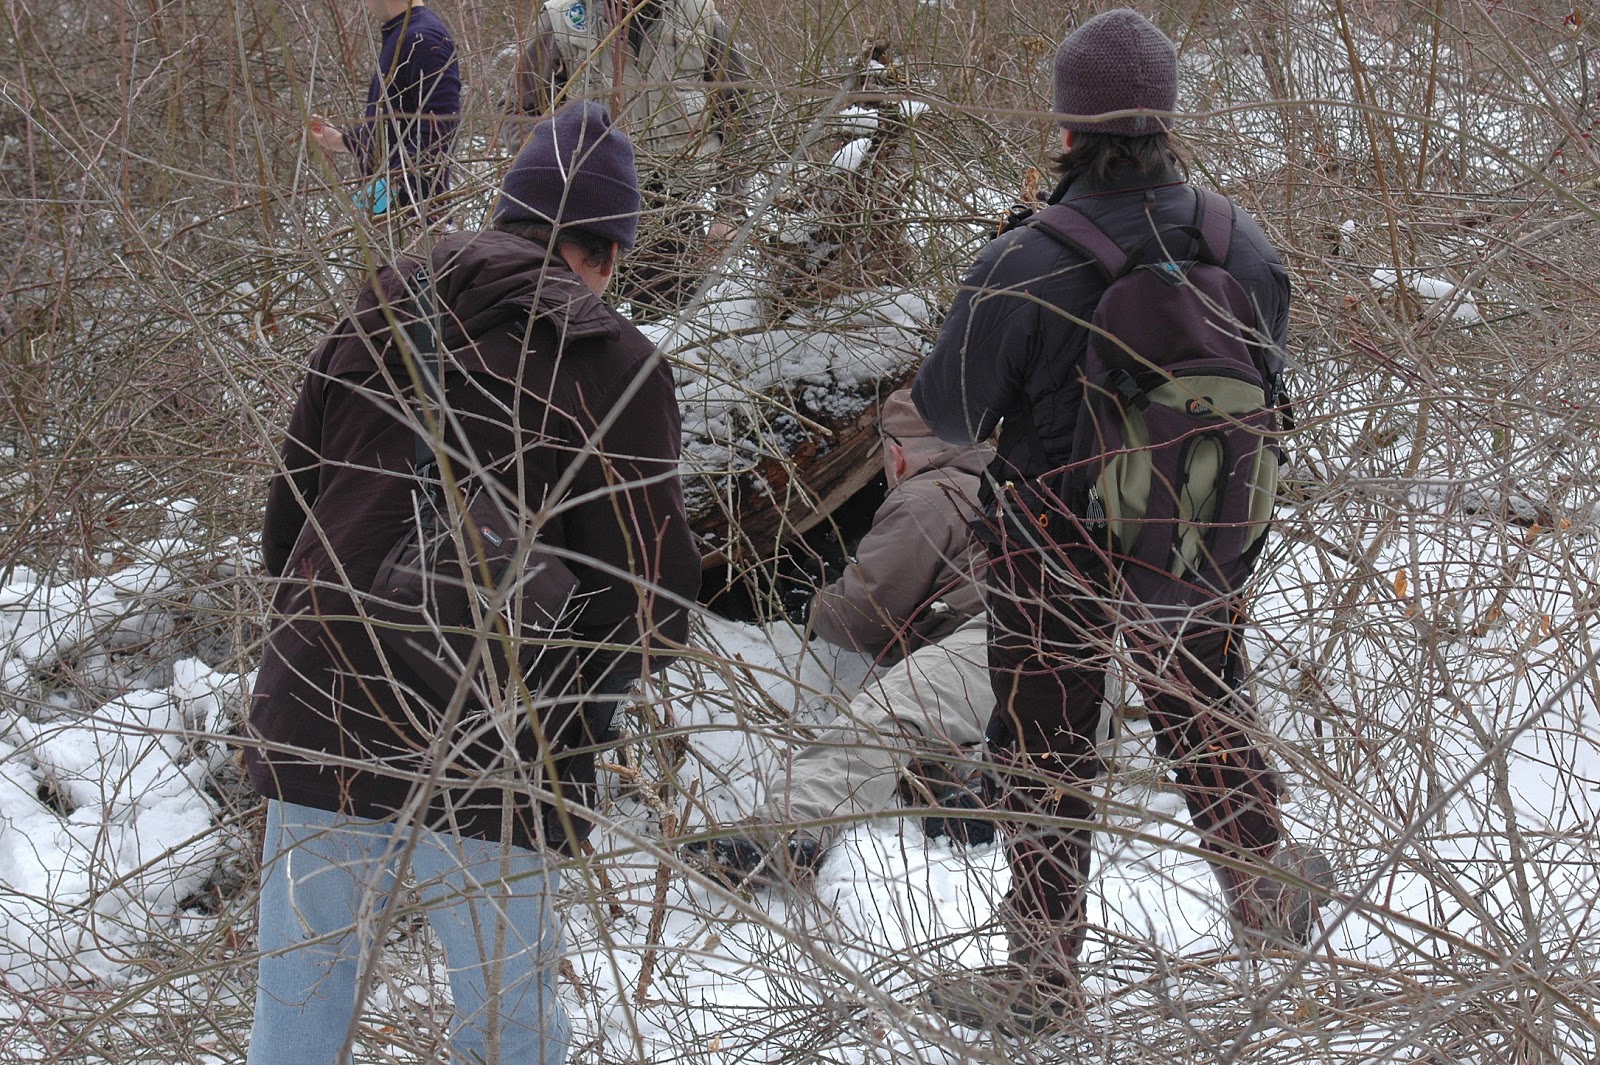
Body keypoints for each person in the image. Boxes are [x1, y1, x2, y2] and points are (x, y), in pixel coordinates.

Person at [245, 101, 700, 1065]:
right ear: (606, 252)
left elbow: (288, 524)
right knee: (509, 1029)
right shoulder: (616, 363)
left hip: (323, 700)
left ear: (509, 215)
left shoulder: (379, 309)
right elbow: (649, 601)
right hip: (501, 738)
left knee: (298, 1010)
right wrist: (579, 707)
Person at [911, 10, 1329, 1031]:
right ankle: (1263, 890)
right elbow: (1264, 375)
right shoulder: (1241, 243)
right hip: (1193, 530)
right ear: (1166, 120)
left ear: (1066, 129)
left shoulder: (1024, 260)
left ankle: (1043, 973)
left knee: (1045, 748)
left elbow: (949, 414)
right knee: (1204, 702)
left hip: (1050, 544)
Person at [683, 390, 999, 883]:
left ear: (896, 454)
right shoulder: (996, 485)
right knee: (945, 725)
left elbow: (864, 614)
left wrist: (810, 606)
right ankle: (985, 787)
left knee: (898, 709)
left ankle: (789, 830)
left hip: (997, 639)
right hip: (1079, 661)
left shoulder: (929, 494)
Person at [500, 0, 755, 318]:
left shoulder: (698, 13)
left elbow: (739, 111)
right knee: (579, 327)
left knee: (669, 336)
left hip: (675, 214)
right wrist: (550, 178)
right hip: (585, 218)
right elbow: (517, 112)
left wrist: (730, 209)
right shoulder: (562, 18)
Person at [310, 0, 461, 218]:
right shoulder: (403, 34)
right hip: (393, 217)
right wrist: (342, 140)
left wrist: (387, 188)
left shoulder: (424, 39)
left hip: (414, 220)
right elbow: (394, 124)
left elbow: (441, 127)